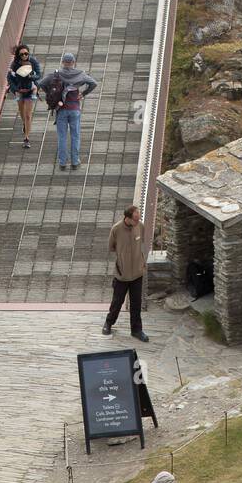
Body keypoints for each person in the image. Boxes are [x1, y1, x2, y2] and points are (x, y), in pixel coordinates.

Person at [38, 52, 97, 171]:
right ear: (73, 62)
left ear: (63, 62)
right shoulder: (80, 74)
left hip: (61, 110)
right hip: (74, 109)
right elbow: (93, 83)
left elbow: (41, 83)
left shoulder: (56, 75)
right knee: (75, 136)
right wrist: (83, 93)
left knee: (62, 137)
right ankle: (75, 162)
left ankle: (62, 163)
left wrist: (50, 93)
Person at [102, 204, 148, 341]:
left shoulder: (140, 226)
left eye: (138, 217)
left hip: (137, 273)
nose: (137, 221)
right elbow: (111, 247)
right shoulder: (116, 229)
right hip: (122, 274)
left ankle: (137, 330)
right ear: (127, 218)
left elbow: (142, 243)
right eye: (135, 218)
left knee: (136, 303)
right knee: (117, 301)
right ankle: (108, 323)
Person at [6, 42, 42, 148]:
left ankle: (27, 138)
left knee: (28, 115)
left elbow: (39, 74)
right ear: (18, 55)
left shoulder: (33, 61)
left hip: (30, 90)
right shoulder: (15, 64)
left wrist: (32, 77)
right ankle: (25, 125)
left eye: (26, 53)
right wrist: (16, 89)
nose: (25, 56)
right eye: (22, 54)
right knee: (21, 112)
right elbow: (9, 78)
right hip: (20, 90)